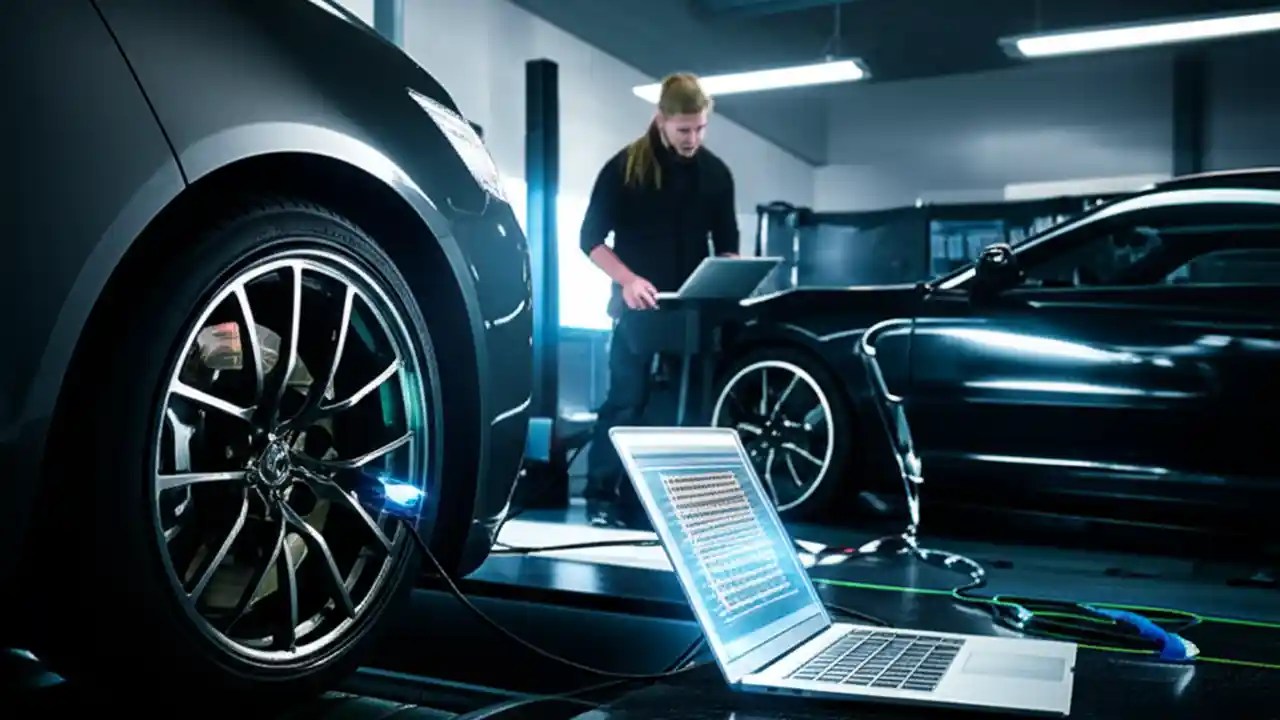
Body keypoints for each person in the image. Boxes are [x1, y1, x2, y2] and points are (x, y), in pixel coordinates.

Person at [578, 72, 740, 528]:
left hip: (690, 310)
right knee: (627, 401)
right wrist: (628, 280)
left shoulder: (716, 175)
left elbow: (727, 242)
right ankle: (601, 496)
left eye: (700, 129)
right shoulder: (624, 169)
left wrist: (728, 273)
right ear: (661, 120)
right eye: (684, 129)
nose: (693, 139)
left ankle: (653, 504)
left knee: (680, 411)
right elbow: (590, 239)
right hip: (637, 306)